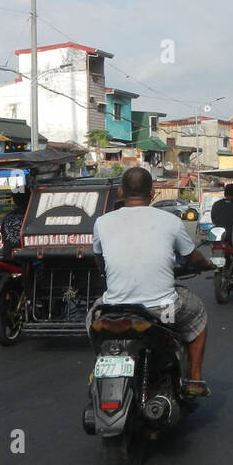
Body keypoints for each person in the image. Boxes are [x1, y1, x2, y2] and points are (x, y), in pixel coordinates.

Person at [92, 166, 214, 396]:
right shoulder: (170, 221)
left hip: (114, 308)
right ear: (152, 193)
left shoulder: (102, 222)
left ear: (120, 192)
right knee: (198, 313)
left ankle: (100, 364)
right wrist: (205, 265)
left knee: (92, 320)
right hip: (162, 309)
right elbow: (193, 257)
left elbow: (99, 259)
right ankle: (195, 380)